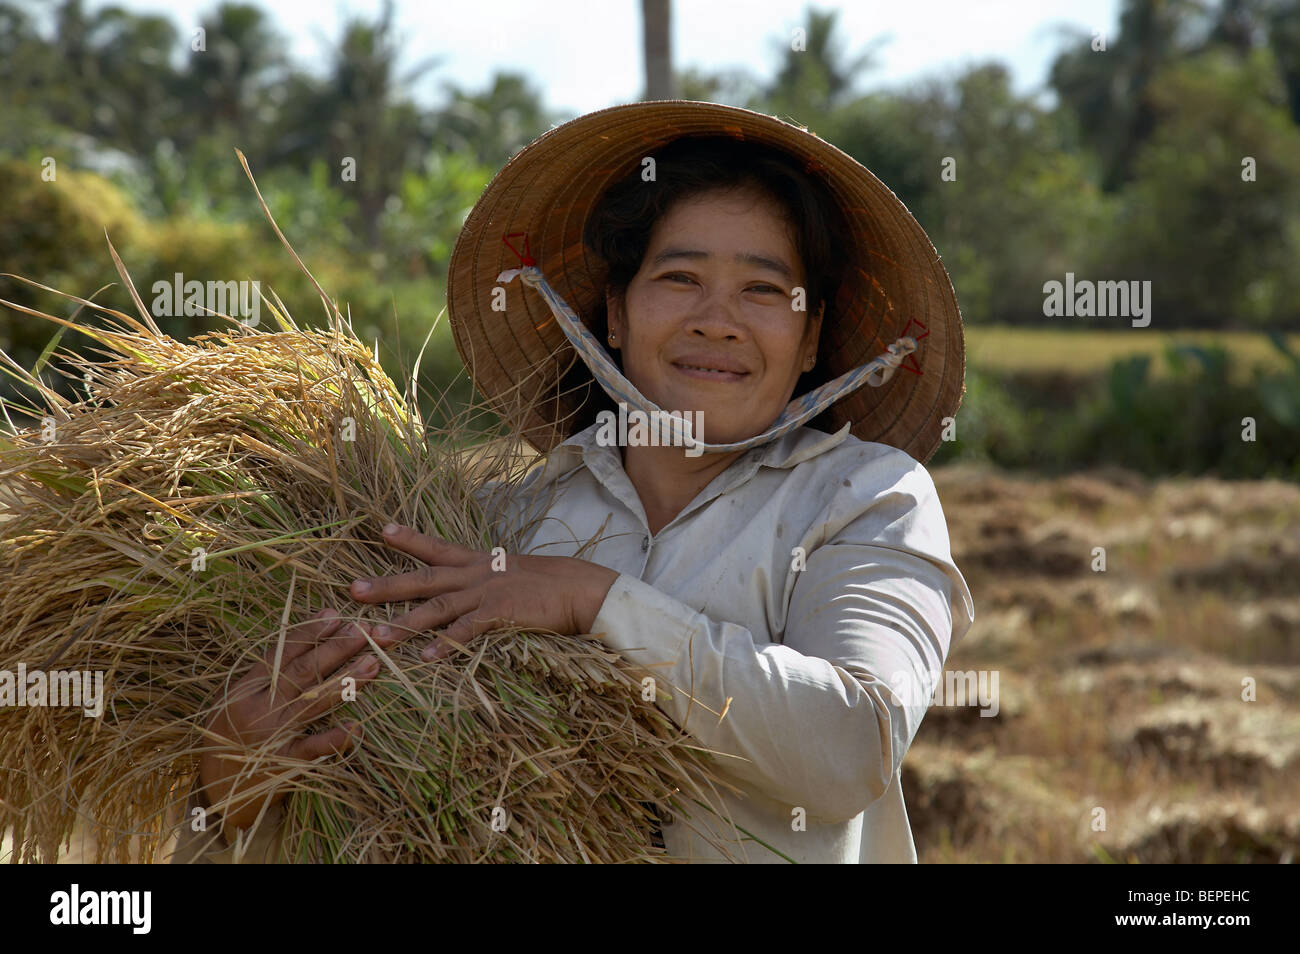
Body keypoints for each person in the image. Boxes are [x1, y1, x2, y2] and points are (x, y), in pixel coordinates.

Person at [172, 100, 974, 864]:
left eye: (764, 291)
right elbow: (374, 801)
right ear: (614, 316)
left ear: (811, 340)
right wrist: (230, 782)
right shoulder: (499, 525)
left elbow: (850, 748)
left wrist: (596, 602)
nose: (717, 320)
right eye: (679, 278)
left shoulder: (866, 497)